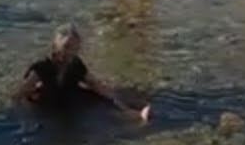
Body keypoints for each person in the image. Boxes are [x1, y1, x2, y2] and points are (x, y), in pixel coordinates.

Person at [15, 25, 150, 123]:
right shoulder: (42, 67)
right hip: (47, 104)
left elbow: (95, 84)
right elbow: (20, 94)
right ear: (56, 47)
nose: (70, 53)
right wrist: (27, 116)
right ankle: (134, 117)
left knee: (103, 102)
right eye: (66, 47)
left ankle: (133, 115)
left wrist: (119, 103)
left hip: (69, 98)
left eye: (75, 48)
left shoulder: (76, 64)